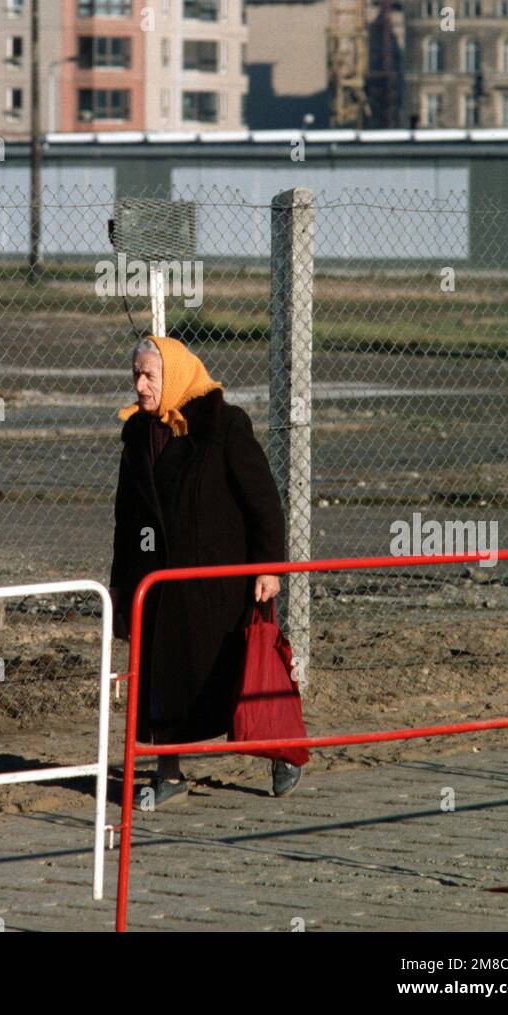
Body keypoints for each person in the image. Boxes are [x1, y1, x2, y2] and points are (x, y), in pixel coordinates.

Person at [110, 333, 305, 809]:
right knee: (163, 679)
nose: (140, 384)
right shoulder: (138, 435)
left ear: (173, 376)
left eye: (149, 375)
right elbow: (127, 517)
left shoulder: (223, 425)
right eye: (136, 374)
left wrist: (269, 567)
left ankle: (281, 752)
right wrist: (121, 585)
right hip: (161, 587)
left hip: (224, 589)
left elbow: (263, 501)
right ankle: (169, 774)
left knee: (245, 673)